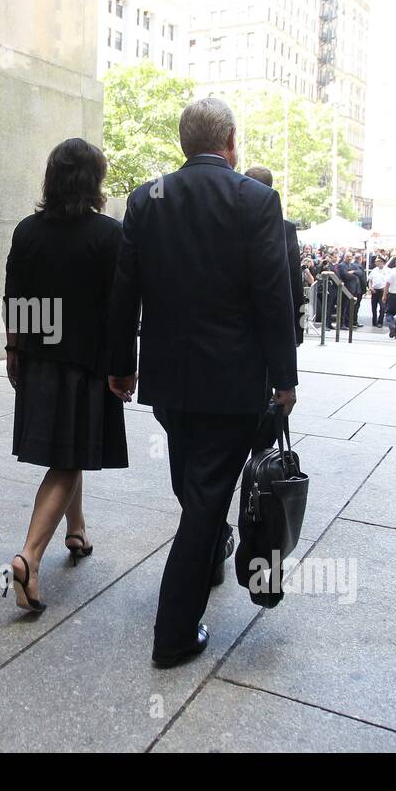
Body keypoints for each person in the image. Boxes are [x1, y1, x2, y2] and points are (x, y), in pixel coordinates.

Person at [108, 97, 298, 669]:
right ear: (232, 141)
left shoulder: (146, 199)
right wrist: (284, 378)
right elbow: (273, 295)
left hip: (169, 379)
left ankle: (208, 553)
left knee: (195, 485)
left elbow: (125, 292)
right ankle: (173, 634)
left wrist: (120, 364)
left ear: (183, 144)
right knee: (204, 498)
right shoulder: (256, 200)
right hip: (233, 379)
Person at [2, 139, 128, 612]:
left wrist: (13, 349)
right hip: (84, 363)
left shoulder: (28, 230)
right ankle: (29, 556)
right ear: (93, 181)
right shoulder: (108, 235)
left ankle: (75, 530)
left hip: (37, 357)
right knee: (70, 457)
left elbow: (13, 295)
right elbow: (118, 310)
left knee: (70, 449)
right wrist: (123, 368)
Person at [244, 165, 304, 345]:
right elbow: (294, 279)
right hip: (272, 313)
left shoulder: (229, 220)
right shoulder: (285, 228)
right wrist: (297, 328)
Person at [367, 256, 388, 327]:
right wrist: (370, 287)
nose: (377, 263)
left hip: (382, 291)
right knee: (373, 307)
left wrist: (386, 289)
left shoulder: (388, 270)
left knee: (382, 307)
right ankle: (374, 321)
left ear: (382, 262)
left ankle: (380, 322)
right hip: (374, 291)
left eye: (378, 261)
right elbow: (370, 280)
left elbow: (389, 282)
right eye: (376, 261)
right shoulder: (374, 270)